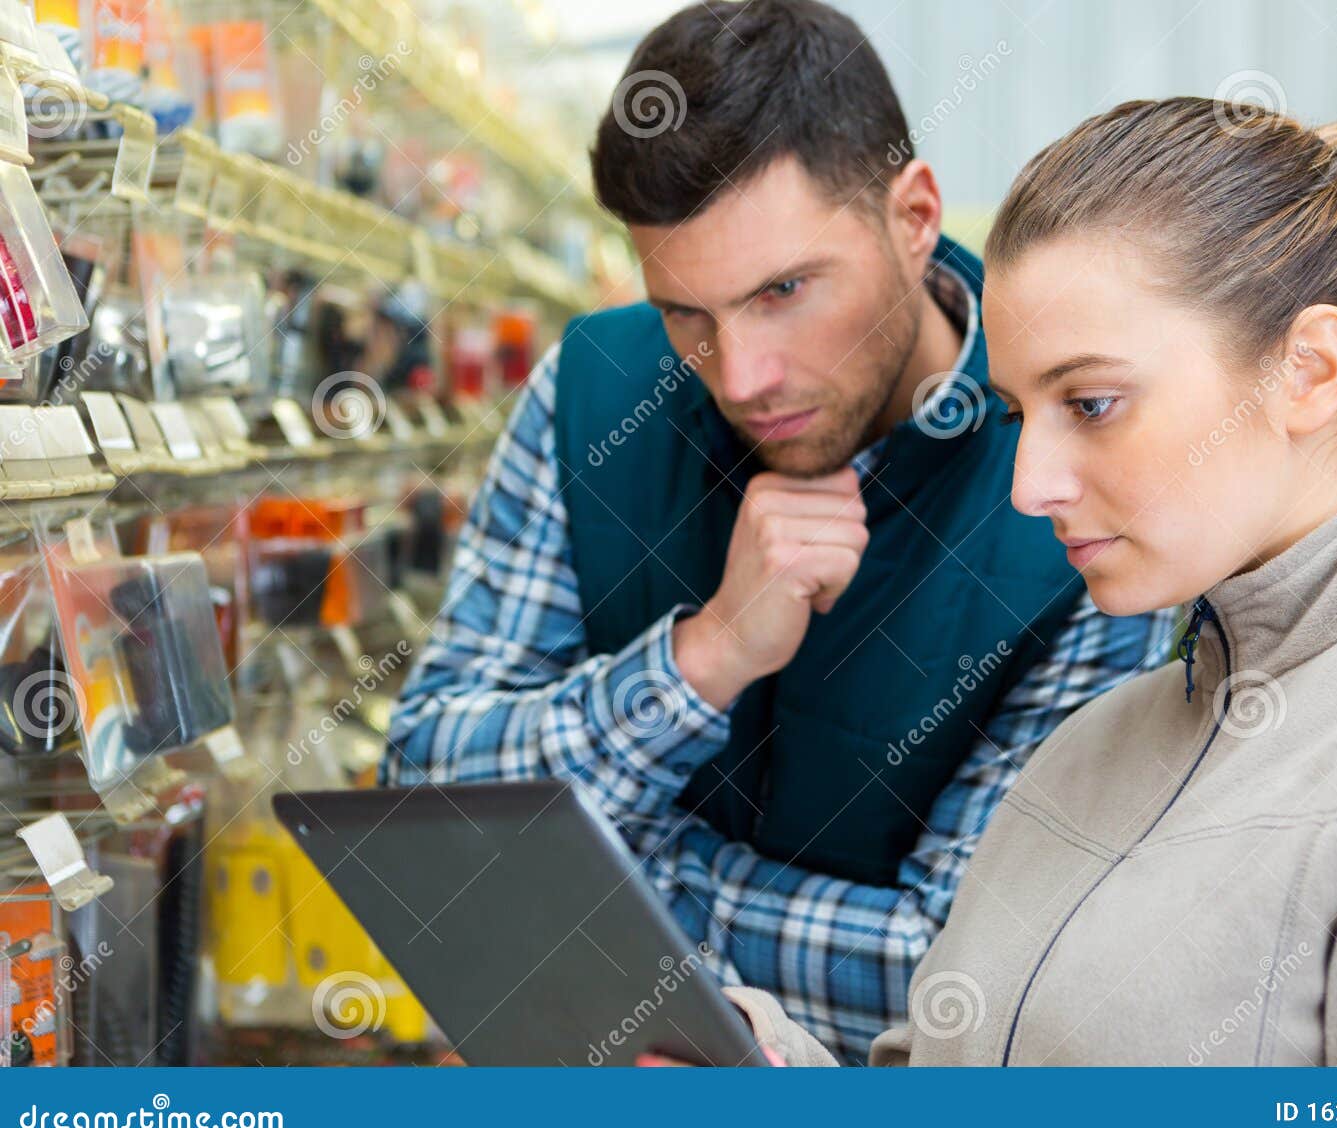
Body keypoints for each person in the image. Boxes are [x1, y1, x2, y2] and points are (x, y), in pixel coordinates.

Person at [716, 97, 1337, 1066]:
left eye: (1091, 402)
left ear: (1307, 369)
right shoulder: (1095, 743)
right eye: (1019, 414)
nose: (1028, 486)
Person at [379, 0, 1169, 1062]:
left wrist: (620, 872)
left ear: (914, 213)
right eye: (685, 313)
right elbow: (421, 816)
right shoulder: (593, 389)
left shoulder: (1072, 487)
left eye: (784, 290)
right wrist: (699, 661)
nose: (740, 375)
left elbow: (974, 977)